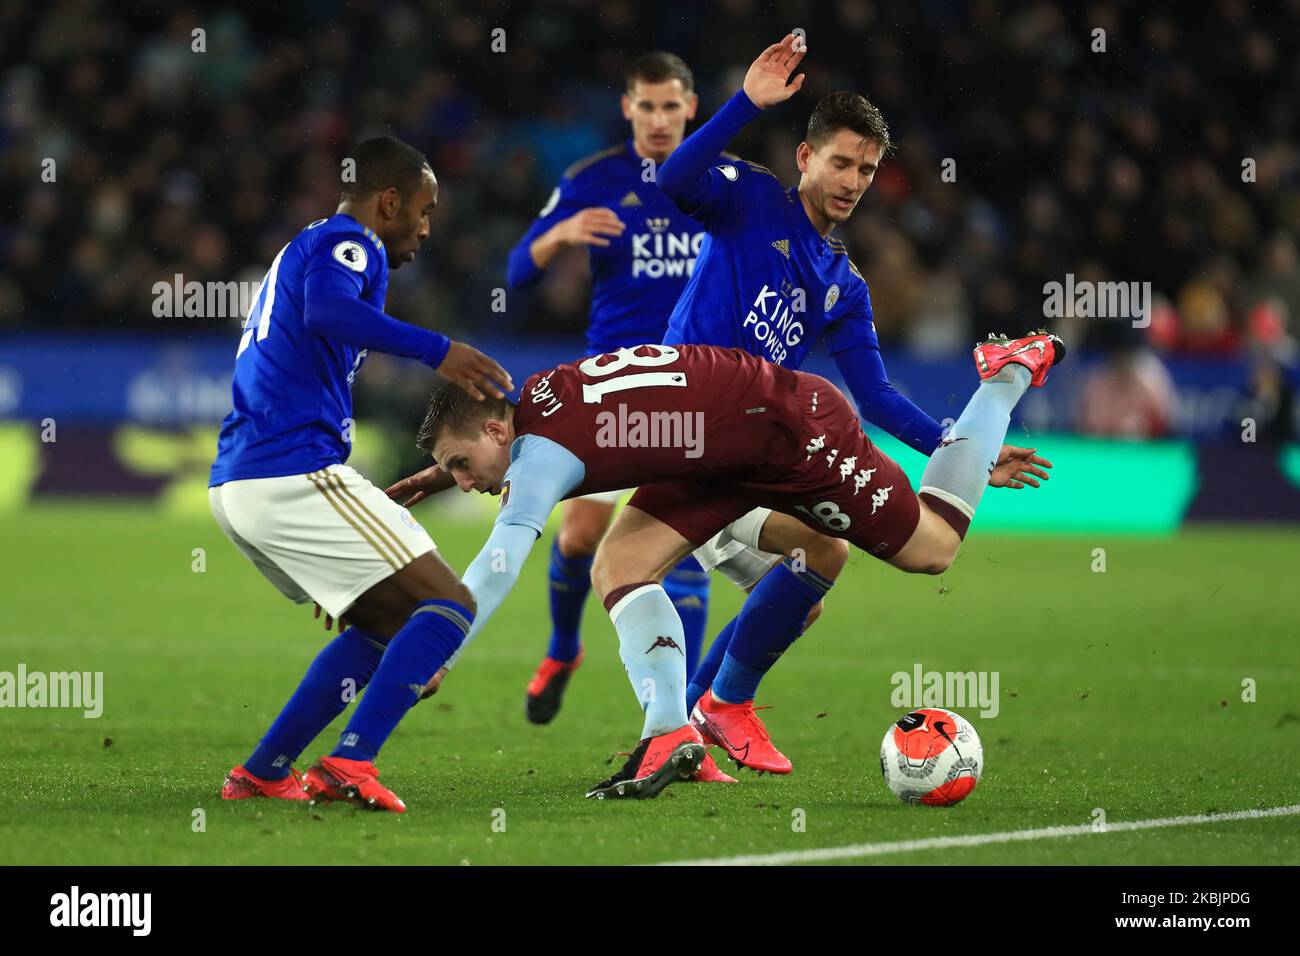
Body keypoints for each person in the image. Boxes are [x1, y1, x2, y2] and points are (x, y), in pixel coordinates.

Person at [388, 333, 1064, 799]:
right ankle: (669, 733)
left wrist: (435, 653)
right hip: (720, 450)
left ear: (498, 431)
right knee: (621, 563)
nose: (466, 481)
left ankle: (1004, 376)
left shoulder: (537, 454)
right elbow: (528, 448)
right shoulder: (538, 398)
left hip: (793, 433)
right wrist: (446, 473)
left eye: (461, 466)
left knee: (933, 548)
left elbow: (500, 563)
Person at [649, 35, 1047, 773]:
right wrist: (744, 102)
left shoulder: (844, 282)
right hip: (688, 433)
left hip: (742, 452)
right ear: (805, 158)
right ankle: (717, 708)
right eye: (840, 161)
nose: (853, 180)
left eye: (866, 169)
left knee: (801, 589)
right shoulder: (750, 198)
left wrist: (964, 452)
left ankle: (689, 729)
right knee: (819, 550)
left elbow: (878, 397)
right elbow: (674, 180)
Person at [209, 135, 512, 813]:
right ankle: (350, 761)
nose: (427, 230)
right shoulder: (352, 243)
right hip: (290, 469)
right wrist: (436, 348)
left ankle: (264, 772)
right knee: (452, 606)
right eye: (424, 212)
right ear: (390, 201)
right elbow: (328, 310)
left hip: (243, 484)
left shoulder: (308, 245)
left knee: (385, 628)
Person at [504, 52, 729, 724]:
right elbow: (517, 271)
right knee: (578, 536)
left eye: (671, 107)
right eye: (646, 106)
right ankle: (564, 646)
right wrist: (561, 234)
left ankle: (679, 713)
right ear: (627, 108)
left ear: (691, 107)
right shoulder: (593, 179)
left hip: (695, 386)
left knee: (679, 543)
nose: (659, 120)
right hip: (612, 385)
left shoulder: (721, 181)